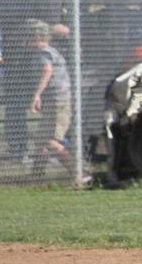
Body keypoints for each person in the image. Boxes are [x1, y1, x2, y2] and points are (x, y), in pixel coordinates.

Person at [0, 0, 69, 165]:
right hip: (39, 59)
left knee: (16, 105)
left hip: (14, 57)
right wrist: (71, 30)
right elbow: (53, 26)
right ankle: (50, 149)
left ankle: (18, 150)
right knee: (49, 104)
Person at [24, 22, 92, 188]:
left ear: (37, 37)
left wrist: (37, 95)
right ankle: (37, 178)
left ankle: (80, 174)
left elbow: (47, 70)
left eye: (27, 36)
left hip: (58, 102)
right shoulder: (49, 52)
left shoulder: (45, 53)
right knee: (40, 140)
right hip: (53, 101)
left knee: (50, 141)